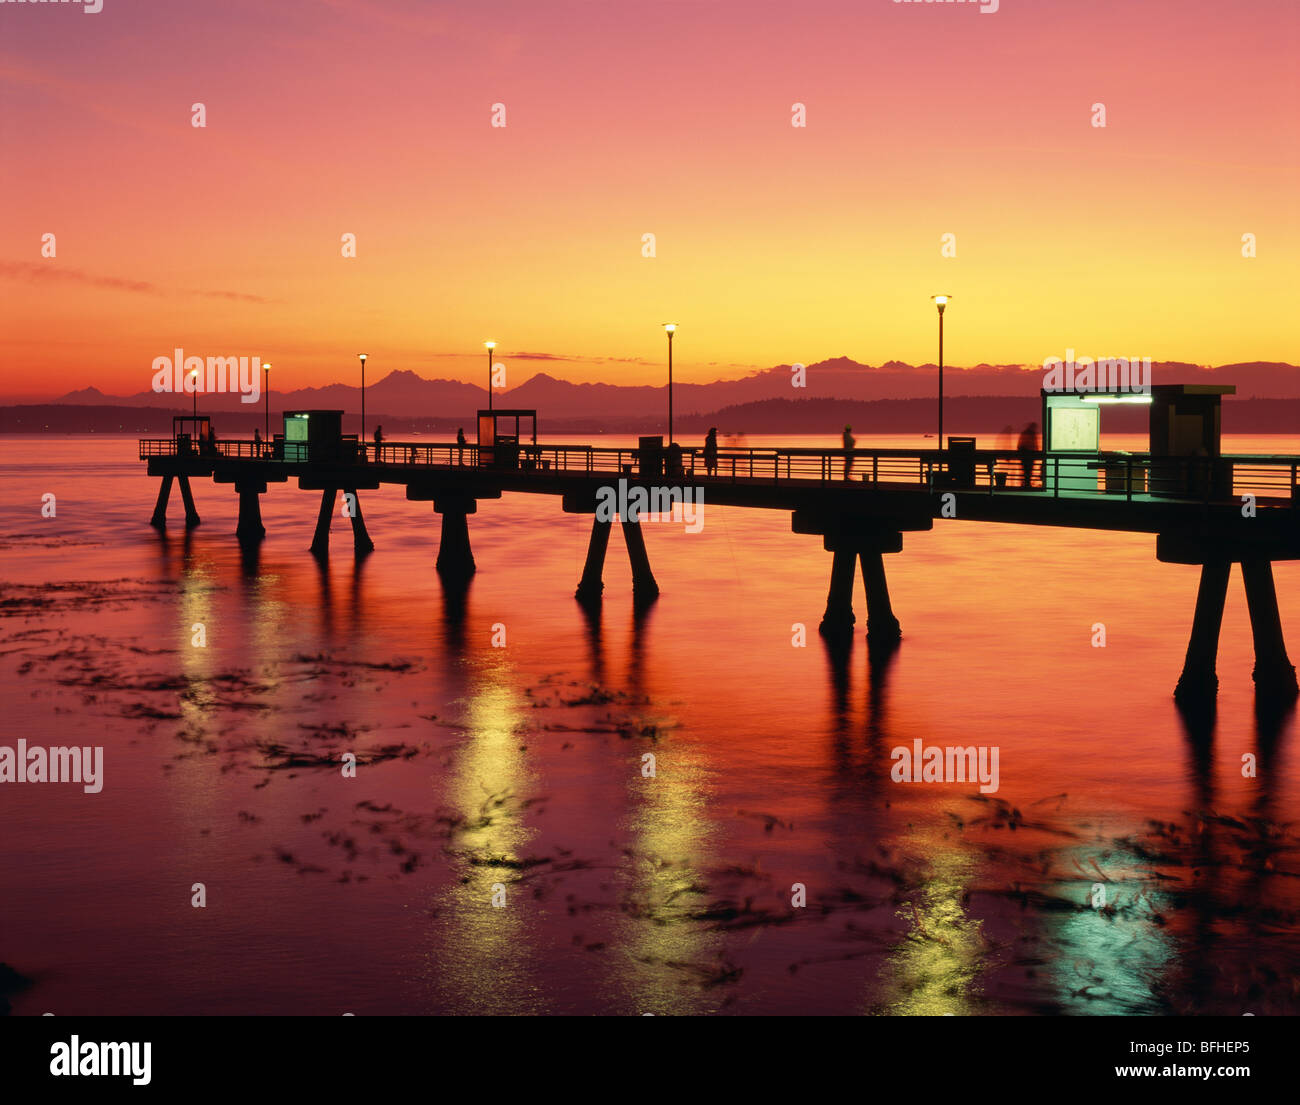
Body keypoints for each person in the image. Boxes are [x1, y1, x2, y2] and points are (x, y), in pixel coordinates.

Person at [1017, 421, 1040, 489]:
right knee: (1029, 471)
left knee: (1025, 470)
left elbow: (1019, 445)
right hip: (1031, 455)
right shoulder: (1033, 434)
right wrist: (1036, 452)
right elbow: (1035, 445)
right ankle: (1027, 484)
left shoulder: (1024, 433)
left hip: (1024, 455)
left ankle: (1026, 484)